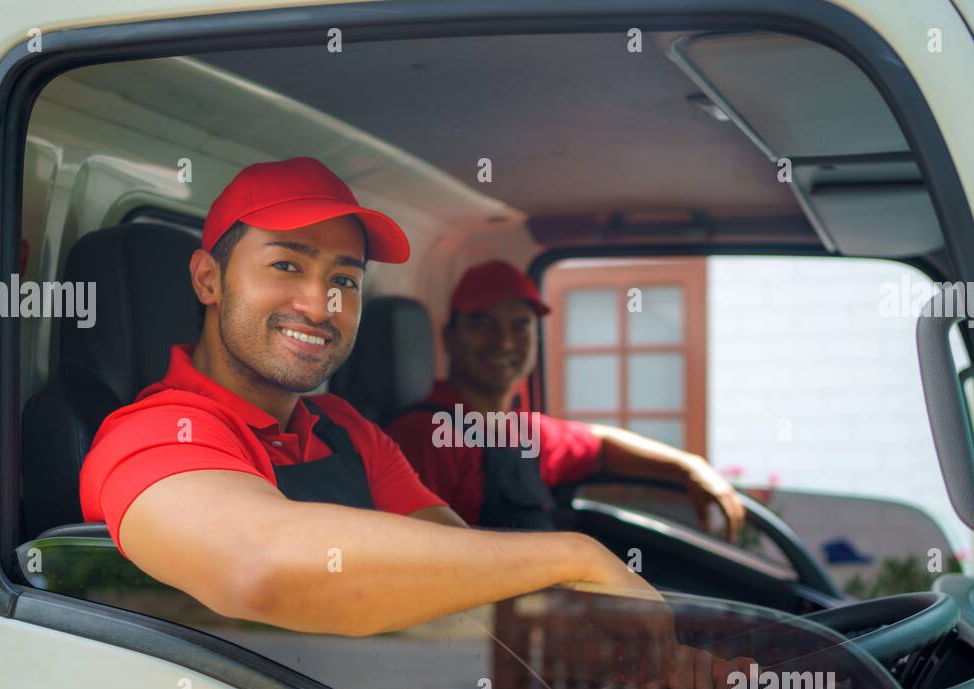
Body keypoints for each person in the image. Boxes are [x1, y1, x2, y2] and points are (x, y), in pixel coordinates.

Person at [78, 158, 667, 643]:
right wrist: (572, 556)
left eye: (345, 281)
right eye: (286, 265)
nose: (319, 304)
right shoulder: (154, 434)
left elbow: (464, 572)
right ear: (208, 279)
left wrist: (648, 666)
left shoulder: (346, 429)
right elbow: (258, 565)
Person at [385, 260, 746, 537]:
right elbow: (418, 560)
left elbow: (600, 446)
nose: (504, 342)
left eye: (520, 326)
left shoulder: (521, 431)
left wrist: (689, 467)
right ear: (449, 338)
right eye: (483, 324)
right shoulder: (423, 437)